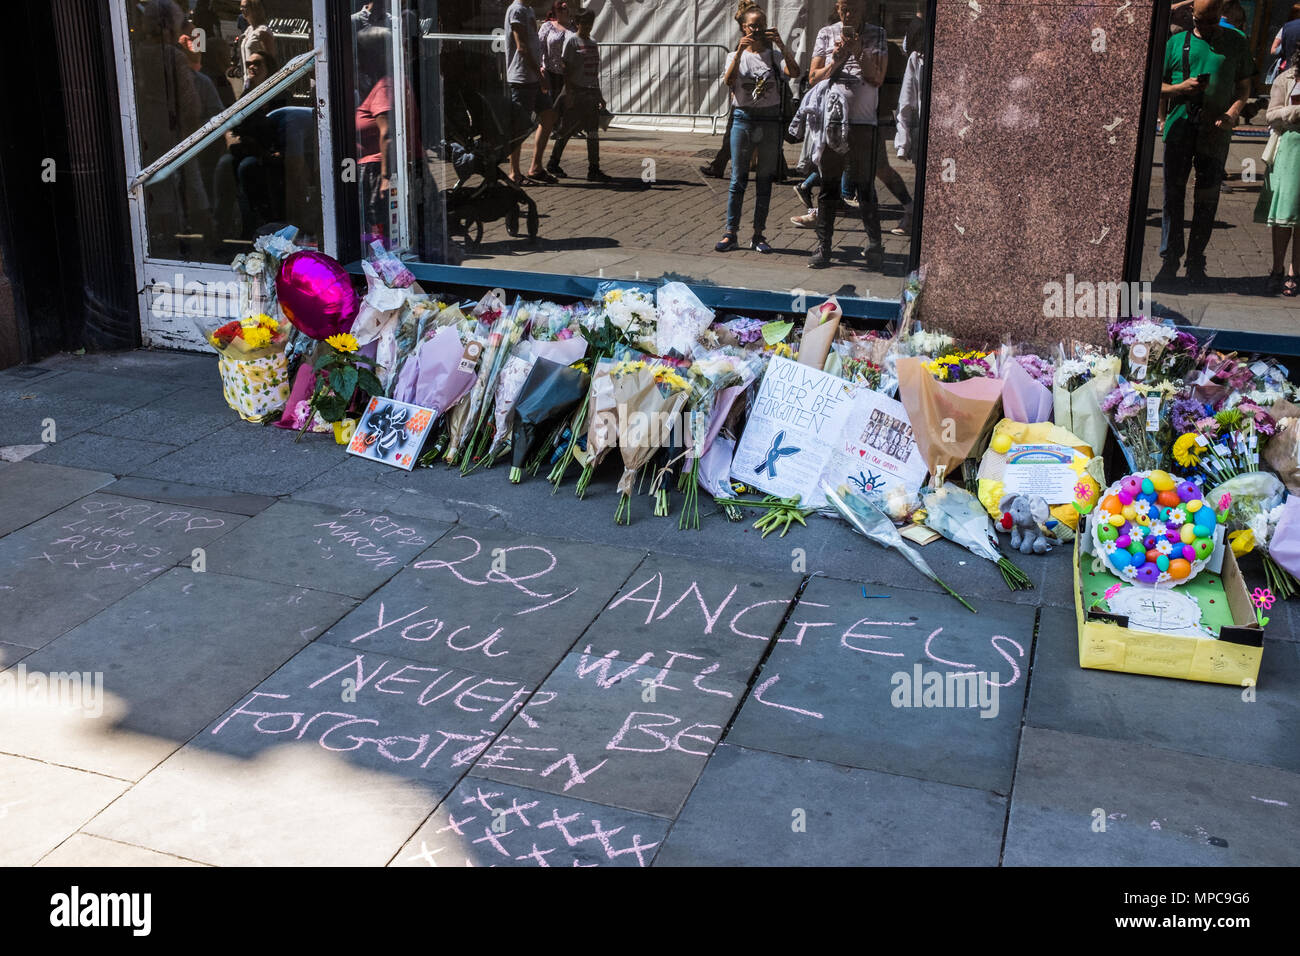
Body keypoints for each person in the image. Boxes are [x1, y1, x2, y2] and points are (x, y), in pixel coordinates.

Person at [1157, 0, 1254, 285]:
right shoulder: (1176, 43)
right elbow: (1154, 86)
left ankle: (1196, 261)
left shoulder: (1237, 42)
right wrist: (1179, 88)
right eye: (1202, 22)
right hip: (1179, 130)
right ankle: (1170, 260)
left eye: (1214, 21)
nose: (1209, 28)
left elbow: (1244, 86)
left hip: (1215, 133)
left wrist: (1232, 113)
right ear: (1192, 18)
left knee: (1207, 199)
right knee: (1172, 198)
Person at [806, 0, 887, 269]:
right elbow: (813, 78)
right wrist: (836, 60)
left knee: (864, 185)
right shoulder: (826, 33)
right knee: (829, 185)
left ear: (864, 8)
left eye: (853, 7)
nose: (848, 13)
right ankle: (824, 247)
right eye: (843, 8)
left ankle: (875, 245)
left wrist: (858, 52)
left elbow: (877, 78)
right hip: (833, 121)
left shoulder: (878, 34)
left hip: (863, 123)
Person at [714, 7, 797, 254]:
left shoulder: (773, 56)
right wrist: (740, 51)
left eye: (761, 25)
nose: (757, 30)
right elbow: (728, 81)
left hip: (770, 120)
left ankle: (758, 234)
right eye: (752, 26)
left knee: (764, 181)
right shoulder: (734, 55)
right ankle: (731, 233)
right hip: (743, 118)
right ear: (743, 28)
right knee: (738, 179)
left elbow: (795, 73)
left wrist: (782, 45)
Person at [546, 9, 610, 181]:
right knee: (566, 129)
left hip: (590, 93)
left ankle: (594, 168)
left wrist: (599, 95)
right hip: (575, 92)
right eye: (585, 23)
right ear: (578, 23)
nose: (588, 27)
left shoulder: (593, 43)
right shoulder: (572, 41)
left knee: (592, 132)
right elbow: (565, 68)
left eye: (590, 23)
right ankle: (553, 162)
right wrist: (569, 93)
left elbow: (594, 72)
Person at [701, 0, 761, 180]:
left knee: (732, 136)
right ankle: (719, 165)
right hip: (753, 97)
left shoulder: (748, 46)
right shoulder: (745, 46)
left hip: (746, 99)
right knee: (762, 132)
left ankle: (718, 166)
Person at [506, 0, 560, 185]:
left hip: (534, 77)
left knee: (548, 115)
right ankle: (514, 173)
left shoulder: (527, 10)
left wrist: (539, 70)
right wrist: (539, 74)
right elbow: (521, 47)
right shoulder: (517, 10)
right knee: (519, 125)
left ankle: (535, 167)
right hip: (521, 78)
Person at [1262, 61, 1300, 294]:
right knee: (1283, 215)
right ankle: (1277, 268)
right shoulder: (1285, 79)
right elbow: (1270, 116)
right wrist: (1296, 111)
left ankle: (1295, 272)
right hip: (1290, 150)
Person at [538, 3, 574, 112]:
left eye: (566, 8)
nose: (565, 11)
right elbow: (540, 47)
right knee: (551, 106)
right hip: (550, 72)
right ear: (556, 11)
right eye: (562, 9)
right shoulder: (548, 26)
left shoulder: (574, 28)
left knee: (566, 106)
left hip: (569, 74)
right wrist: (540, 67)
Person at [237, 0, 277, 91]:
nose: (241, 9)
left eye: (245, 7)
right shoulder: (249, 30)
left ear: (255, 9)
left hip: (260, 84)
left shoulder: (262, 32)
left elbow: (270, 60)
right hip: (247, 81)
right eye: (241, 6)